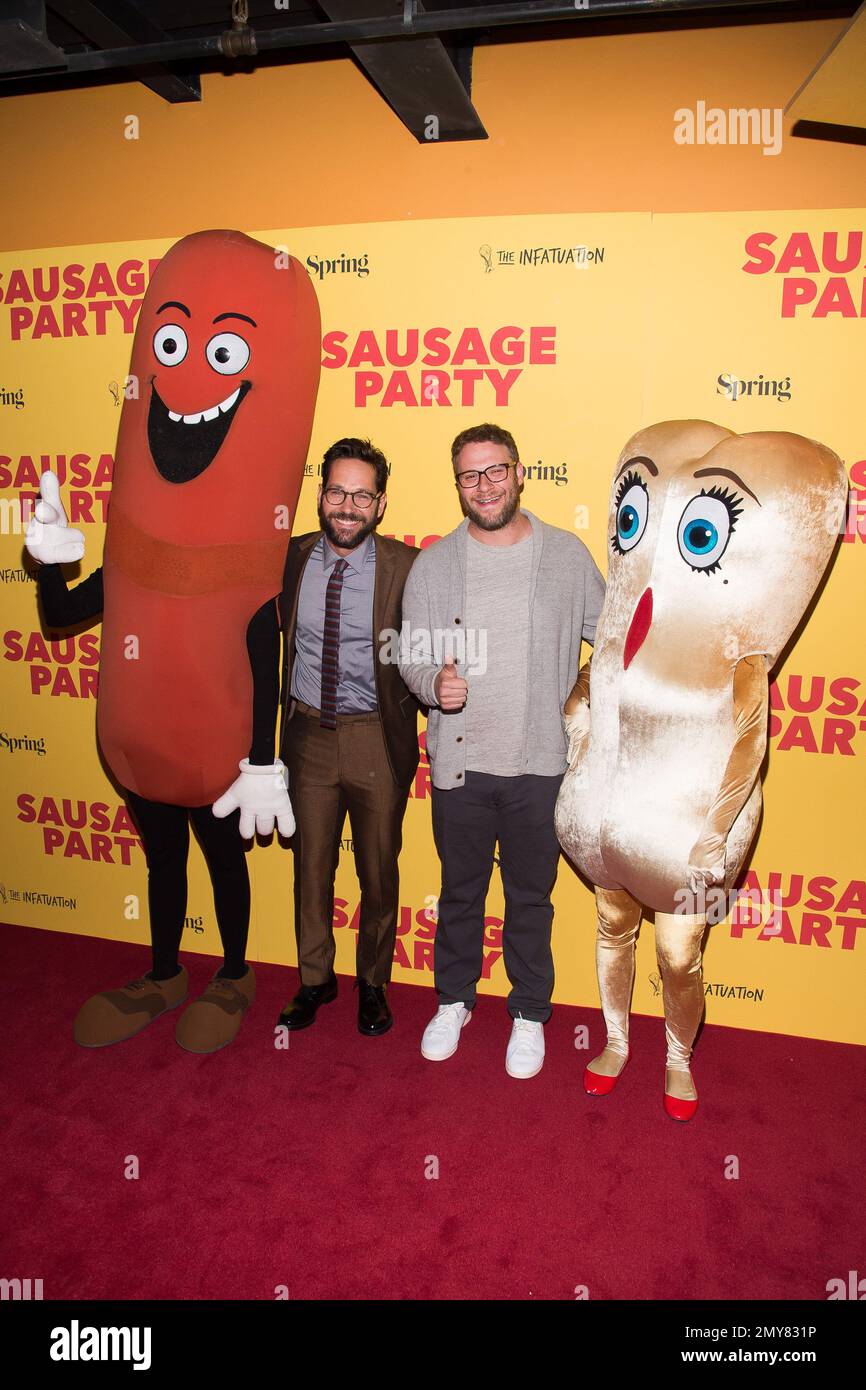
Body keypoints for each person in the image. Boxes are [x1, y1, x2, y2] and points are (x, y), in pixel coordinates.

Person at [24, 230, 321, 1055]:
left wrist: (263, 762)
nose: (187, 374)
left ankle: (232, 972)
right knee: (162, 862)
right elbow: (71, 612)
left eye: (221, 351)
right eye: (172, 342)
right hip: (137, 734)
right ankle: (162, 971)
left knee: (224, 861)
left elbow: (266, 654)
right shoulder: (134, 539)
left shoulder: (250, 566)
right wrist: (53, 563)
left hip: (218, 741)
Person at [554, 420, 848, 1120]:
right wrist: (576, 736)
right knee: (610, 927)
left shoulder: (744, 657)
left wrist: (715, 838)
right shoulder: (623, 628)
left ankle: (679, 1060)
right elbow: (591, 686)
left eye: (700, 533)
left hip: (689, 835)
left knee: (680, 955)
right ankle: (617, 1042)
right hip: (609, 815)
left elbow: (751, 749)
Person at [398, 423, 605, 1077]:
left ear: (519, 473)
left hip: (539, 767)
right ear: (457, 484)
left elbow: (616, 639)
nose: (484, 486)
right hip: (459, 765)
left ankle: (529, 1014)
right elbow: (410, 654)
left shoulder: (567, 557)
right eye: (470, 475)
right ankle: (454, 1001)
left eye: (495, 471)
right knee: (460, 894)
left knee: (530, 898)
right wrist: (433, 682)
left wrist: (589, 710)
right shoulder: (434, 564)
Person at [277, 438, 420, 1037]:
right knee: (310, 869)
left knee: (378, 870)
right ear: (320, 494)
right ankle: (315, 979)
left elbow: (433, 649)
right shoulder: (287, 558)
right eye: (338, 491)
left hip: (375, 740)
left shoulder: (407, 567)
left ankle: (373, 983)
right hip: (307, 735)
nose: (348, 506)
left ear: (381, 504)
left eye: (363, 495)